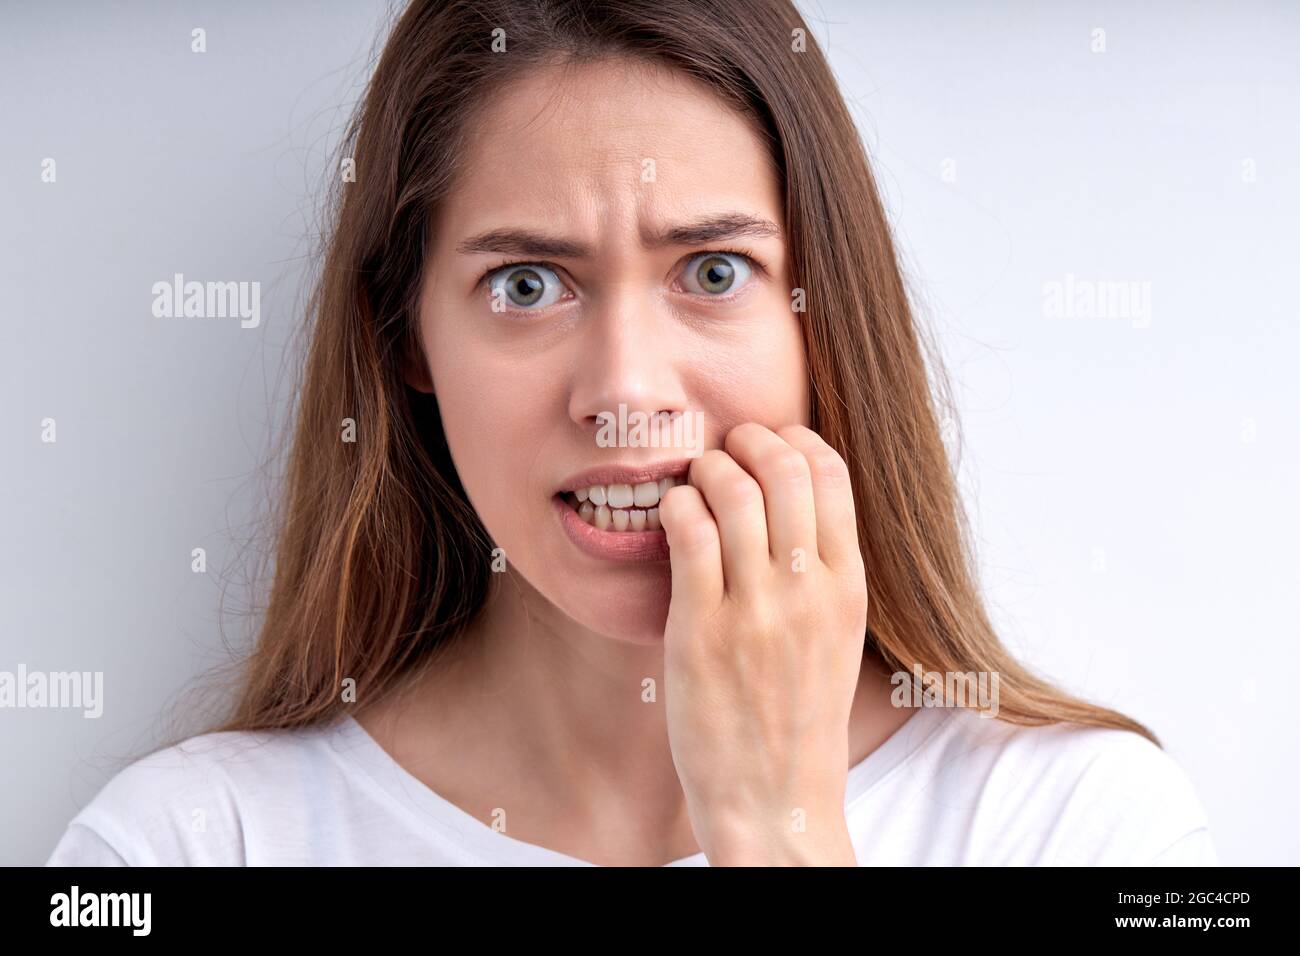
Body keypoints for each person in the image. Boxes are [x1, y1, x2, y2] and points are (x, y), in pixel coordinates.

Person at [47, 0, 1216, 867]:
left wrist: (780, 829)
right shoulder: (184, 848)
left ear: (822, 320)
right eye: (525, 286)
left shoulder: (1092, 826)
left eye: (713, 270)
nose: (623, 391)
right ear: (405, 338)